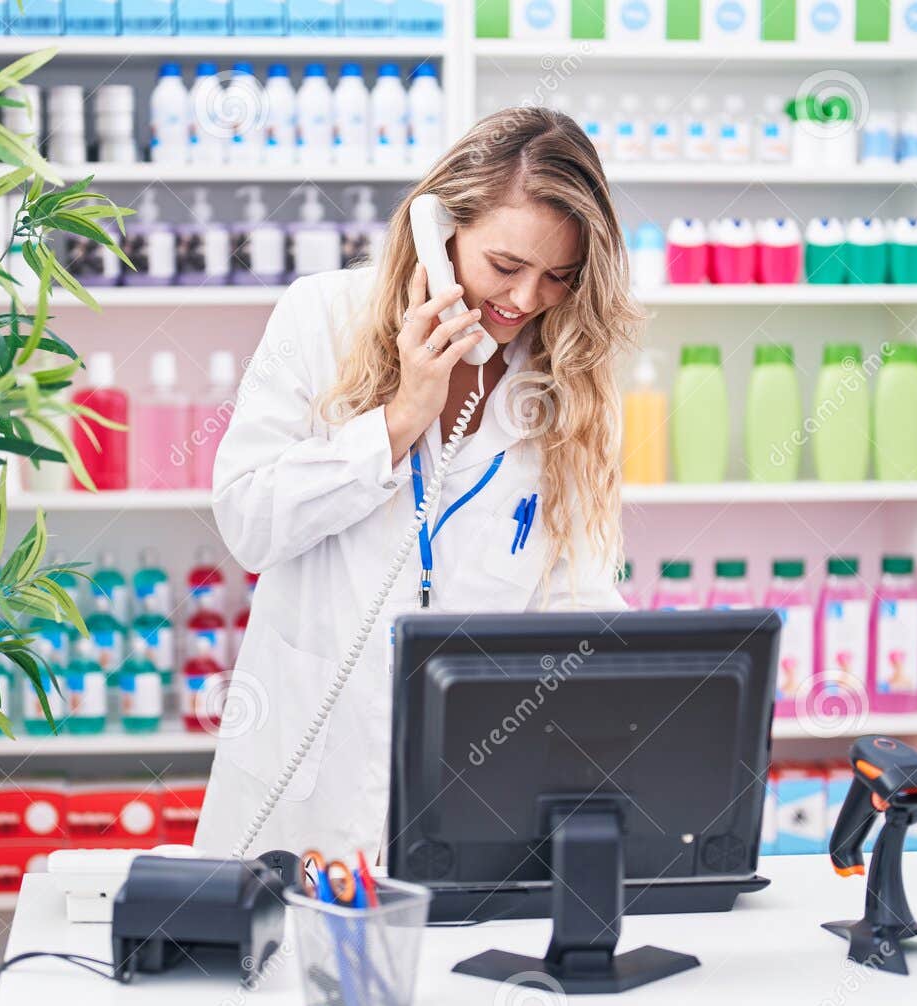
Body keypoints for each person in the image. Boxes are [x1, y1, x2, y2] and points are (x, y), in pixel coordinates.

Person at [194, 107, 642, 859]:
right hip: (304, 789)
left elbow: (580, 598)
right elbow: (248, 520)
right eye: (505, 266)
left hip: (477, 791)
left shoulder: (571, 384)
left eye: (558, 277)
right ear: (442, 228)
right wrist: (399, 420)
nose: (526, 300)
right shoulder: (321, 316)